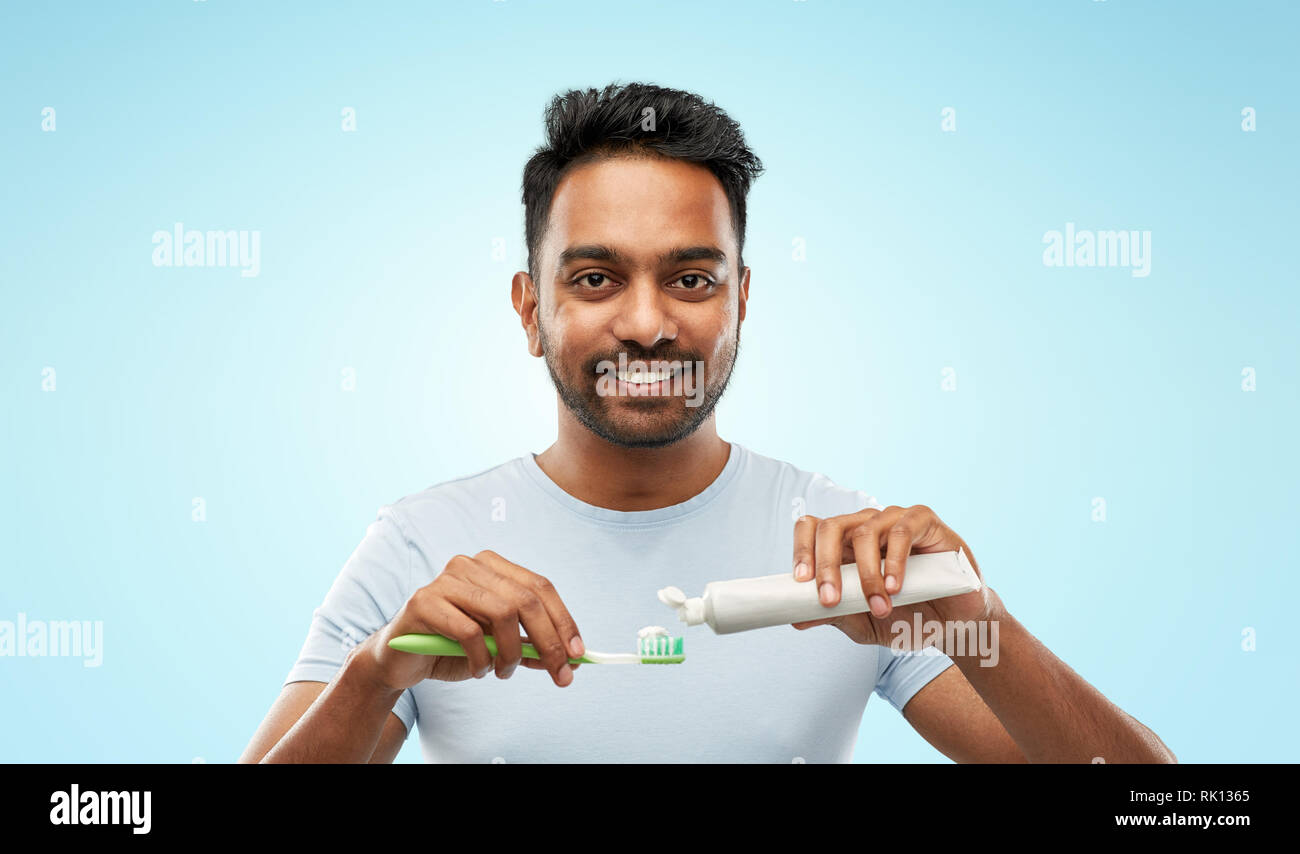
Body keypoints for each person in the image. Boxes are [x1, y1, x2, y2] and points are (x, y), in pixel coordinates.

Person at [240, 82, 1175, 764]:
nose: (648, 324)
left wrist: (981, 620)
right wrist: (374, 677)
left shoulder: (848, 558)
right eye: (596, 279)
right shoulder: (421, 547)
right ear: (530, 310)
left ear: (741, 301)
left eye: (691, 279)